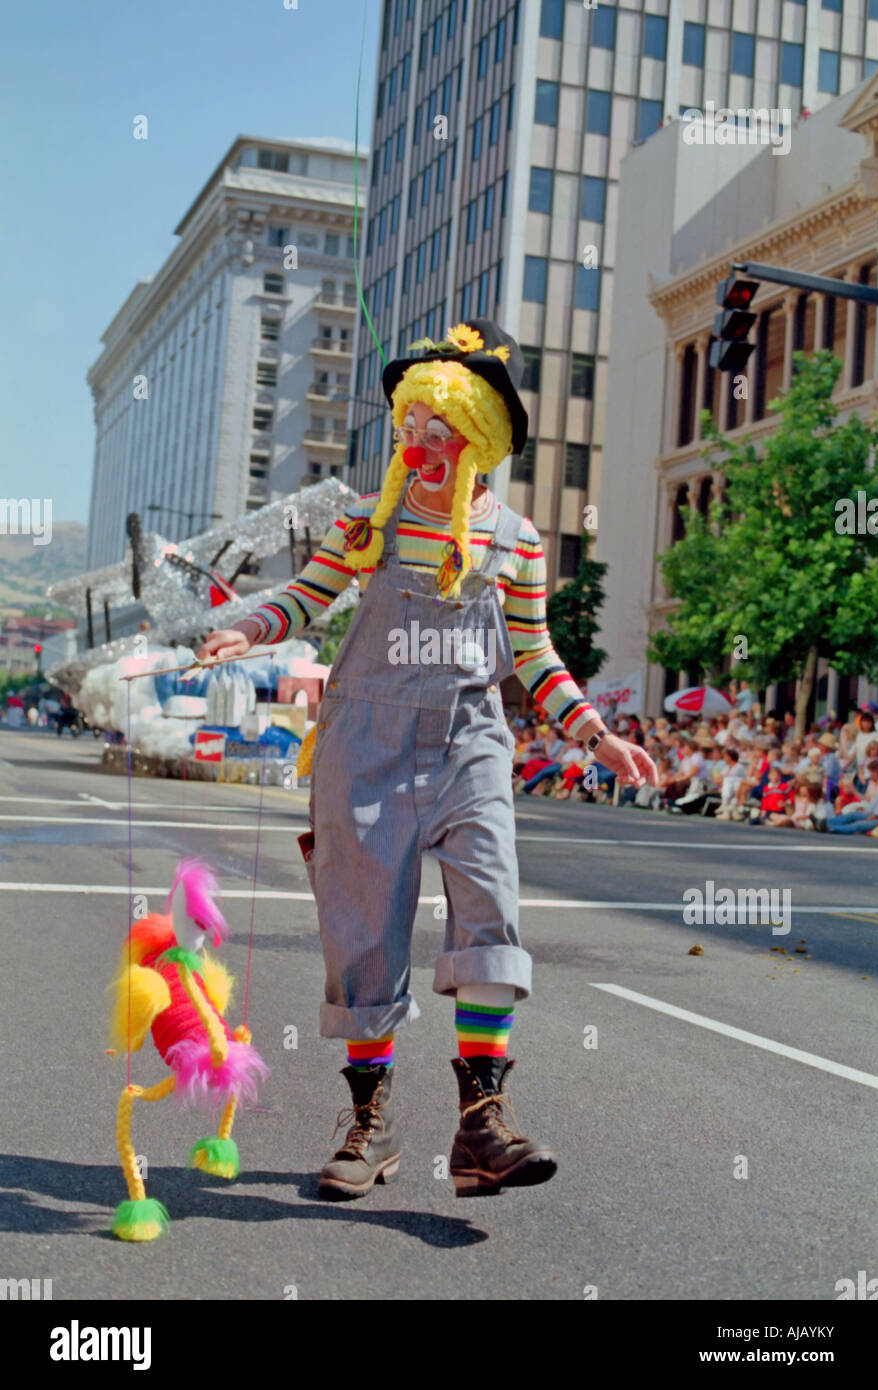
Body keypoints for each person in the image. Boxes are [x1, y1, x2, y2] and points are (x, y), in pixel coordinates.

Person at [198, 318, 657, 1200]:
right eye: (409, 426)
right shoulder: (364, 527)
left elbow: (533, 652)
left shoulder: (516, 540)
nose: (417, 443)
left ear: (476, 438)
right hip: (363, 739)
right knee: (365, 933)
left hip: (470, 736)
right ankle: (370, 1125)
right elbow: (306, 596)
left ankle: (482, 1124)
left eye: (436, 430)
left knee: (491, 904)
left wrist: (594, 734)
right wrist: (249, 627)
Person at [820, 759, 878, 834]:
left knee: (858, 825)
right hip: (871, 813)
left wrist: (865, 820)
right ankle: (825, 822)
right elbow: (870, 805)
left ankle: (832, 828)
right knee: (853, 814)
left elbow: (877, 815)